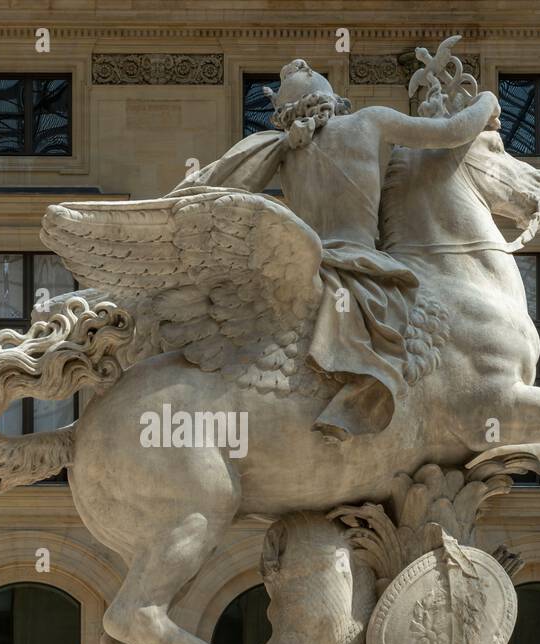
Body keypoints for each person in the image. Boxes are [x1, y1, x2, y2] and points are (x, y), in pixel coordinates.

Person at [174, 60, 499, 440]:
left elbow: (221, 187)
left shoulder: (283, 150)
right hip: (363, 265)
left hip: (315, 267)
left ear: (285, 113)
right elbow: (451, 132)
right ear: (333, 100)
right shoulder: (369, 121)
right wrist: (487, 101)